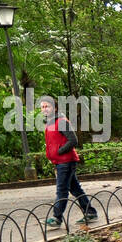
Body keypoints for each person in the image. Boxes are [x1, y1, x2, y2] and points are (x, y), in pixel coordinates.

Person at [40, 95, 99, 228]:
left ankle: (56, 218)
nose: (45, 109)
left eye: (47, 106)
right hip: (60, 161)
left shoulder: (60, 121)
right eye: (42, 107)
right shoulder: (50, 123)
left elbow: (73, 140)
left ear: (55, 108)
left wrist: (59, 151)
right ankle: (90, 212)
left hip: (66, 161)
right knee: (75, 189)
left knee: (62, 190)